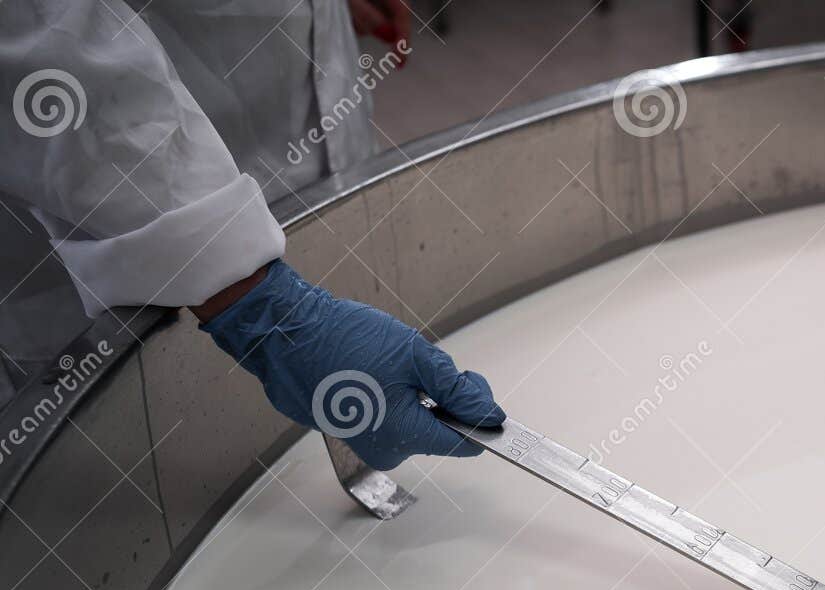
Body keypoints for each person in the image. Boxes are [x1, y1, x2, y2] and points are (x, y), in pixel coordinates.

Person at [0, 0, 502, 469]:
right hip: (115, 205)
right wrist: (262, 309)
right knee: (127, 477)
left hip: (296, 123)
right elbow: (39, 30)